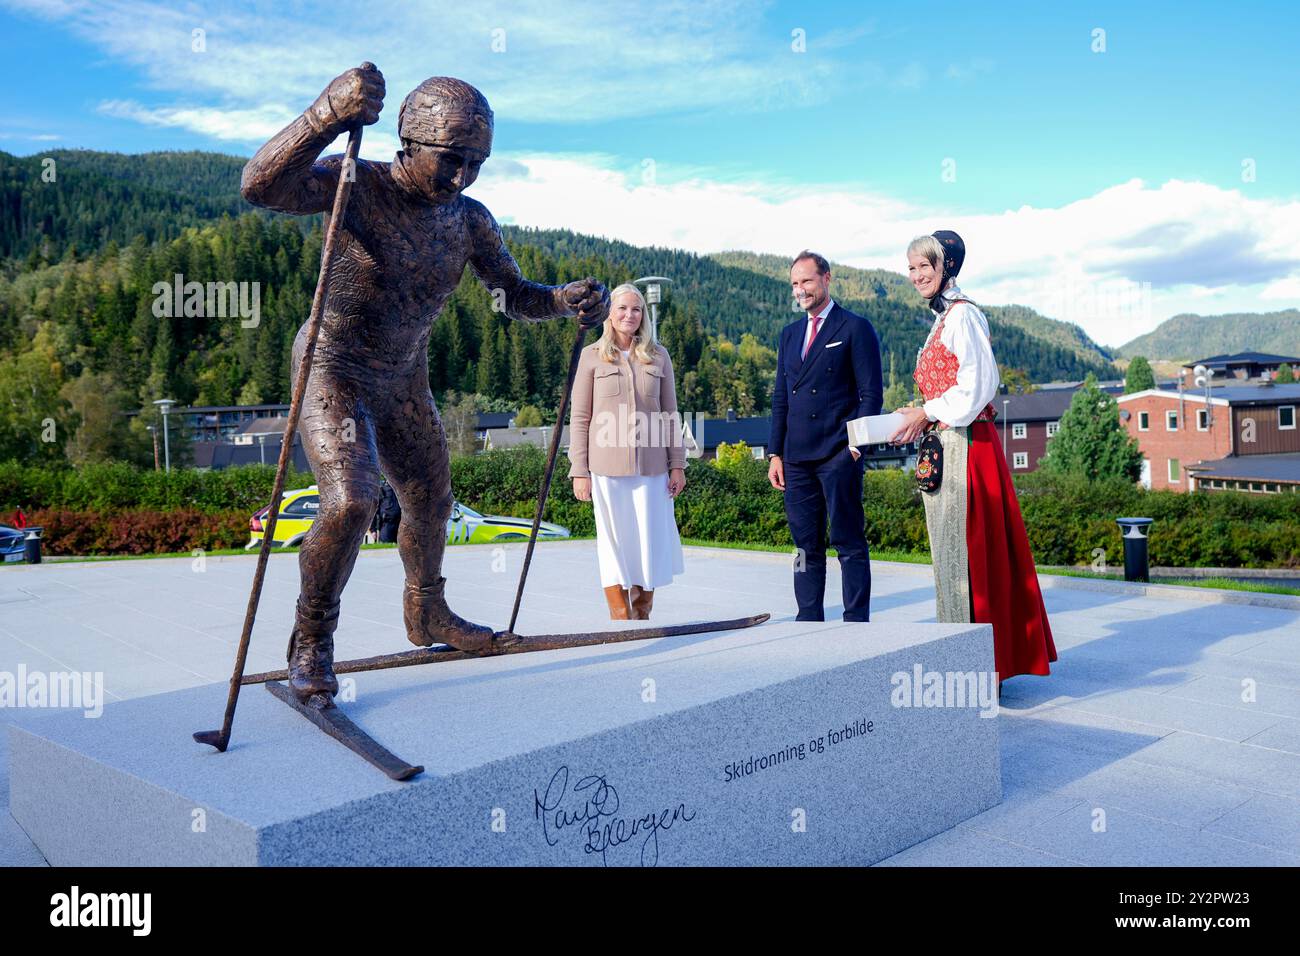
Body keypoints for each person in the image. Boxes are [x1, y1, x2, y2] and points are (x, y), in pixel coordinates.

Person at [240, 63, 609, 702]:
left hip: (403, 376)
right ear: (410, 143)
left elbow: (515, 295)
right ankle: (311, 637)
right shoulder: (358, 184)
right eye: (450, 160)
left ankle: (426, 610)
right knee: (352, 503)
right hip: (335, 367)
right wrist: (326, 115)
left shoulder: (468, 219)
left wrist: (565, 301)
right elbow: (261, 186)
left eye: (476, 162)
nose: (462, 176)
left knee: (432, 501)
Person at [889, 231, 1056, 684]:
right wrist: (920, 412)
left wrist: (928, 411)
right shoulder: (943, 321)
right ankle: (963, 661)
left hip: (969, 447)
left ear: (948, 267)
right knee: (950, 554)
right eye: (912, 267)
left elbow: (979, 386)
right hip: (947, 443)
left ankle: (978, 667)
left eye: (925, 266)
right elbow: (948, 391)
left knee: (969, 554)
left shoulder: (964, 317)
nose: (917, 275)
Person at [768, 251, 883, 621]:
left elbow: (871, 394)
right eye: (795, 284)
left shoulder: (854, 327)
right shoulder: (789, 335)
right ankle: (808, 616)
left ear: (827, 279)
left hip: (838, 453)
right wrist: (775, 453)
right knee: (804, 545)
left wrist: (856, 445)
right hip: (796, 458)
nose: (800, 290)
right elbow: (781, 398)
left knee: (848, 541)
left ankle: (855, 620)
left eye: (807, 281)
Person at [568, 284, 686, 620]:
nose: (629, 315)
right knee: (613, 544)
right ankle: (620, 617)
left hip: (652, 470)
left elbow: (669, 415)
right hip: (606, 470)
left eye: (636, 310)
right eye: (622, 308)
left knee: (648, 543)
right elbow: (580, 417)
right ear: (609, 312)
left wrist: (677, 465)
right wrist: (580, 469)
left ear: (643, 315)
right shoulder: (591, 356)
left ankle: (642, 612)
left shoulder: (658, 355)